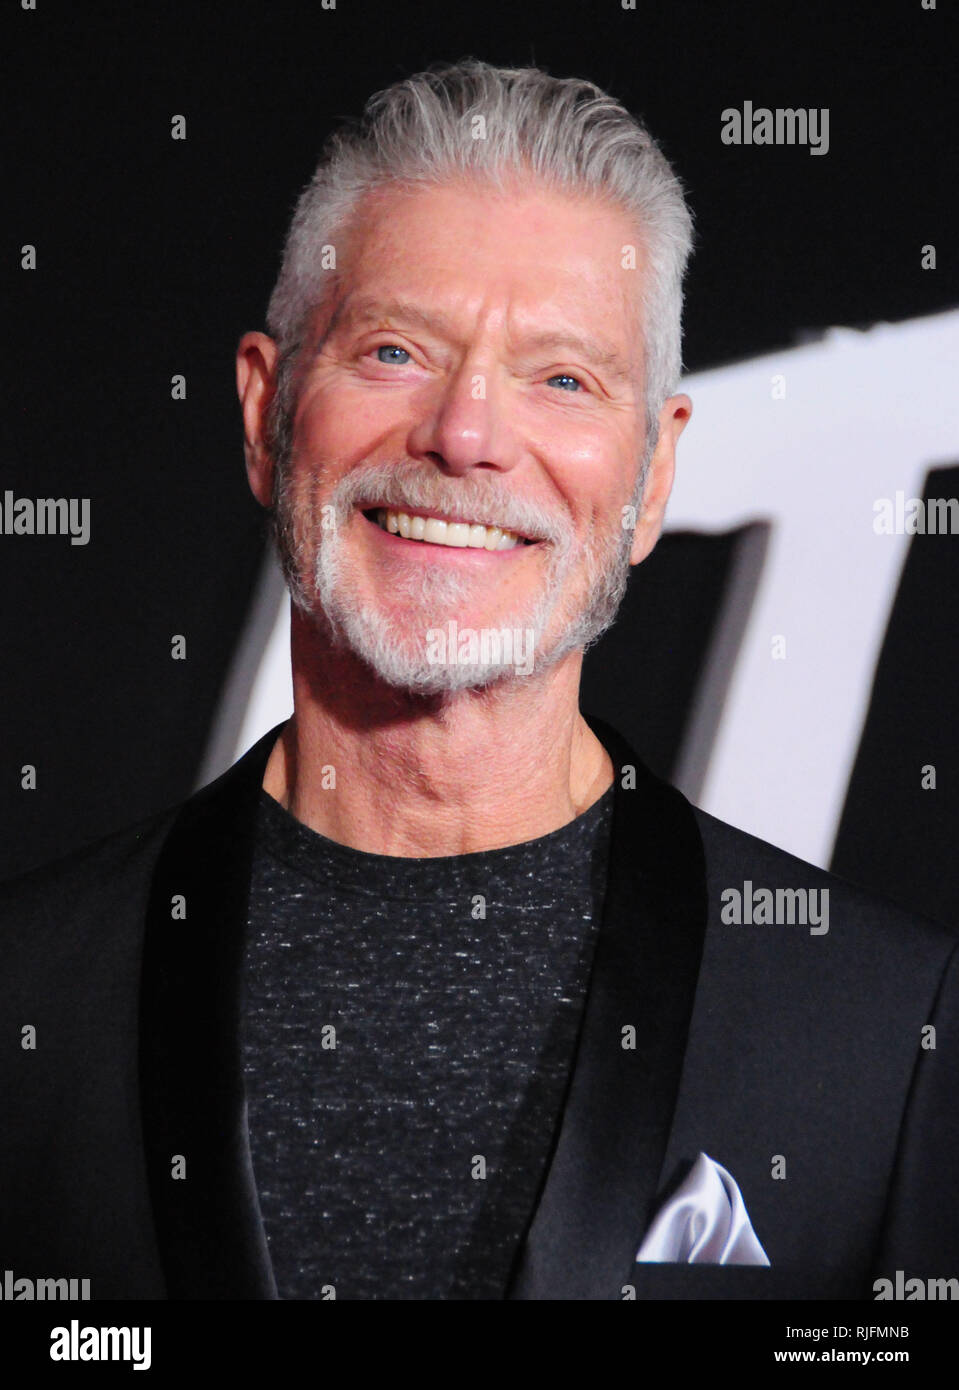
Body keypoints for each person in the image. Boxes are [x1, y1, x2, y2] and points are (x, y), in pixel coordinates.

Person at [1, 59, 957, 1303]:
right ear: (262, 411)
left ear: (653, 478)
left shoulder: (888, 1037)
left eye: (561, 378)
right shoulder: (29, 997)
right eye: (395, 349)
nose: (464, 434)